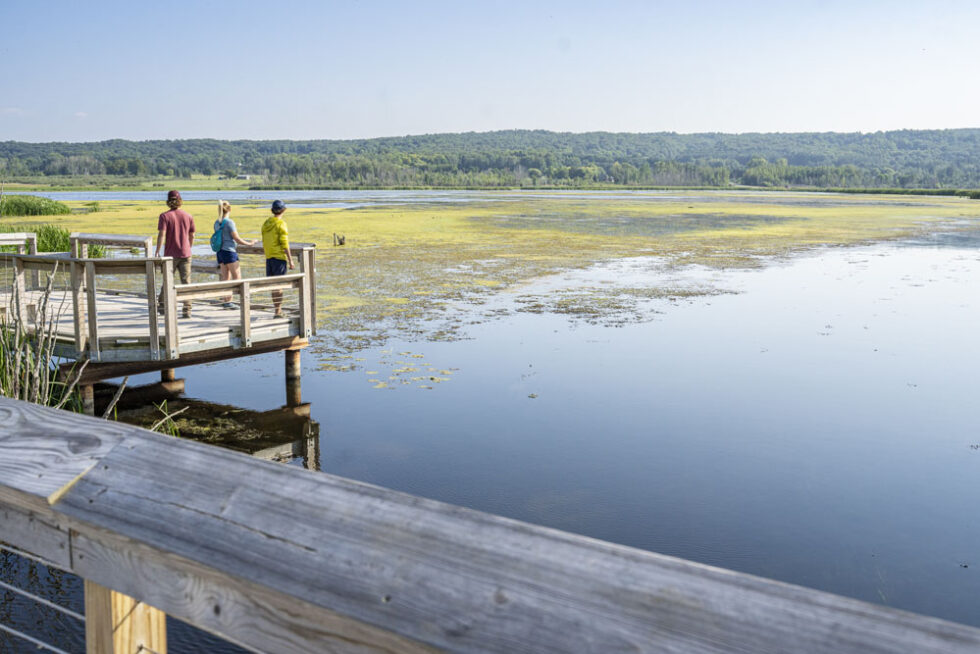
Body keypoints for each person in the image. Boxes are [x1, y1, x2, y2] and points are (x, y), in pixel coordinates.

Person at [155, 190, 195, 318]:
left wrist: (157, 251)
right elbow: (192, 234)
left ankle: (161, 306)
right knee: (186, 282)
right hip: (185, 253)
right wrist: (189, 246)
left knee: (167, 281)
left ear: (168, 202)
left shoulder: (164, 216)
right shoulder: (188, 216)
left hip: (169, 255)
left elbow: (162, 234)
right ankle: (187, 310)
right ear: (180, 201)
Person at [214, 200, 255, 308]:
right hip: (230, 252)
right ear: (229, 209)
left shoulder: (216, 223)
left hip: (220, 252)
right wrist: (249, 243)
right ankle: (242, 302)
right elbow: (236, 238)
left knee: (225, 278)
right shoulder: (229, 222)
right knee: (237, 278)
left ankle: (227, 301)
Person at [262, 199, 294, 318]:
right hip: (279, 258)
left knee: (273, 285)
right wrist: (290, 260)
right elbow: (285, 244)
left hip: (269, 257)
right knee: (279, 285)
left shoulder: (266, 224)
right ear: (283, 210)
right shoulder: (281, 224)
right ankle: (278, 312)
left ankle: (276, 310)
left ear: (272, 210)